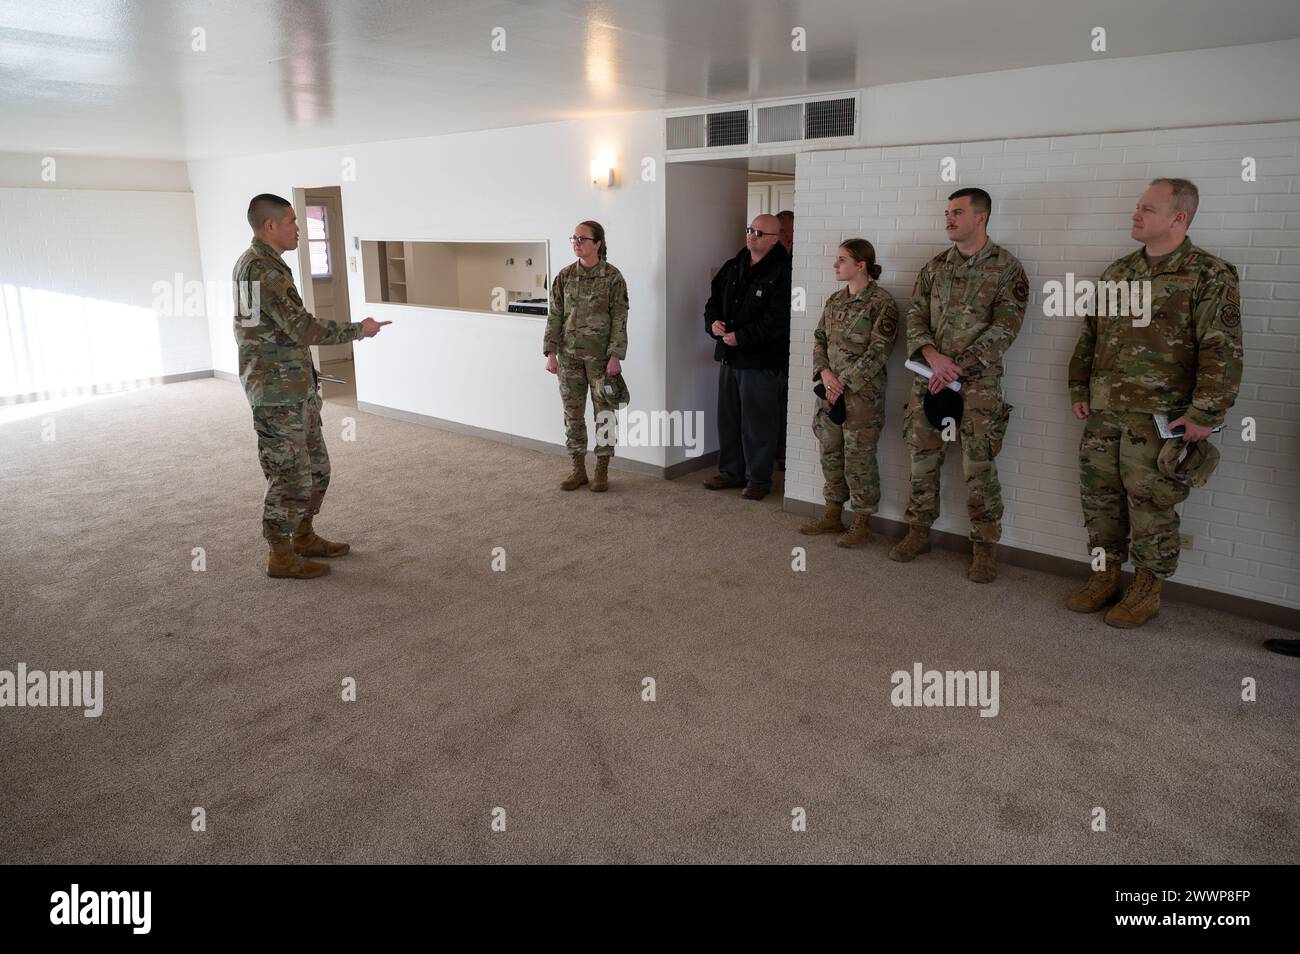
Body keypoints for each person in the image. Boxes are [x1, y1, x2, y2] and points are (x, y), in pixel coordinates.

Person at [1067, 178, 1244, 628]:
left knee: (1151, 504)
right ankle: (1104, 575)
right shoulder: (1117, 272)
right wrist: (1080, 388)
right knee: (1100, 499)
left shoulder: (1209, 274)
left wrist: (1206, 413)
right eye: (1137, 207)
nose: (1135, 214)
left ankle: (1147, 589)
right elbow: (1091, 334)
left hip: (1162, 417)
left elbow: (1221, 349)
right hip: (1107, 410)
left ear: (1178, 217)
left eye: (1147, 208)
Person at [233, 193, 390, 579]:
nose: (299, 228)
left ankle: (303, 535)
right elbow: (302, 327)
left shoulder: (267, 265)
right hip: (276, 393)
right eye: (291, 221)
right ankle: (280, 554)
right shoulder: (261, 270)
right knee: (289, 475)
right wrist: (359, 330)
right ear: (270, 226)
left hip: (293, 386)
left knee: (317, 470)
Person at [890, 188, 1028, 582]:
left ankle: (984, 548)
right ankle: (918, 531)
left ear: (981, 217)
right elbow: (915, 316)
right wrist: (933, 358)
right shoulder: (934, 267)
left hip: (978, 388)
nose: (948, 219)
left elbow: (1005, 329)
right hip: (927, 379)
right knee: (922, 459)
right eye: (947, 212)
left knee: (978, 466)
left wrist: (957, 366)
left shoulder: (1006, 269)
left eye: (957, 212)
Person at [800, 239, 898, 547]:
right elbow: (819, 338)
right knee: (830, 452)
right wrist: (825, 374)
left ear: (861, 264)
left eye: (842, 259)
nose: (835, 264)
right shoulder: (835, 300)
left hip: (861, 398)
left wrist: (844, 382)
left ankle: (862, 522)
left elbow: (879, 351)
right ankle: (832, 513)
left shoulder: (882, 303)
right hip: (828, 393)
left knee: (859, 459)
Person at [703, 213, 792, 501]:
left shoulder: (784, 271)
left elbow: (779, 319)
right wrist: (713, 323)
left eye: (759, 232)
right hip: (730, 356)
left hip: (762, 361)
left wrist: (742, 336)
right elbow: (713, 302)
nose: (752, 235)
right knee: (728, 418)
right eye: (750, 230)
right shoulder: (734, 265)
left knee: (758, 422)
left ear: (775, 238)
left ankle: (759, 479)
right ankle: (731, 472)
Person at [543, 220, 628, 493]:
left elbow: (620, 319)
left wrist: (616, 355)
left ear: (598, 244)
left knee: (605, 414)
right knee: (572, 414)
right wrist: (551, 352)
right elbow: (555, 315)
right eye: (574, 238)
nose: (577, 242)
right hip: (569, 359)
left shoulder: (613, 277)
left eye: (583, 238)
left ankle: (601, 470)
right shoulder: (565, 276)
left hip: (601, 360)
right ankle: (577, 469)